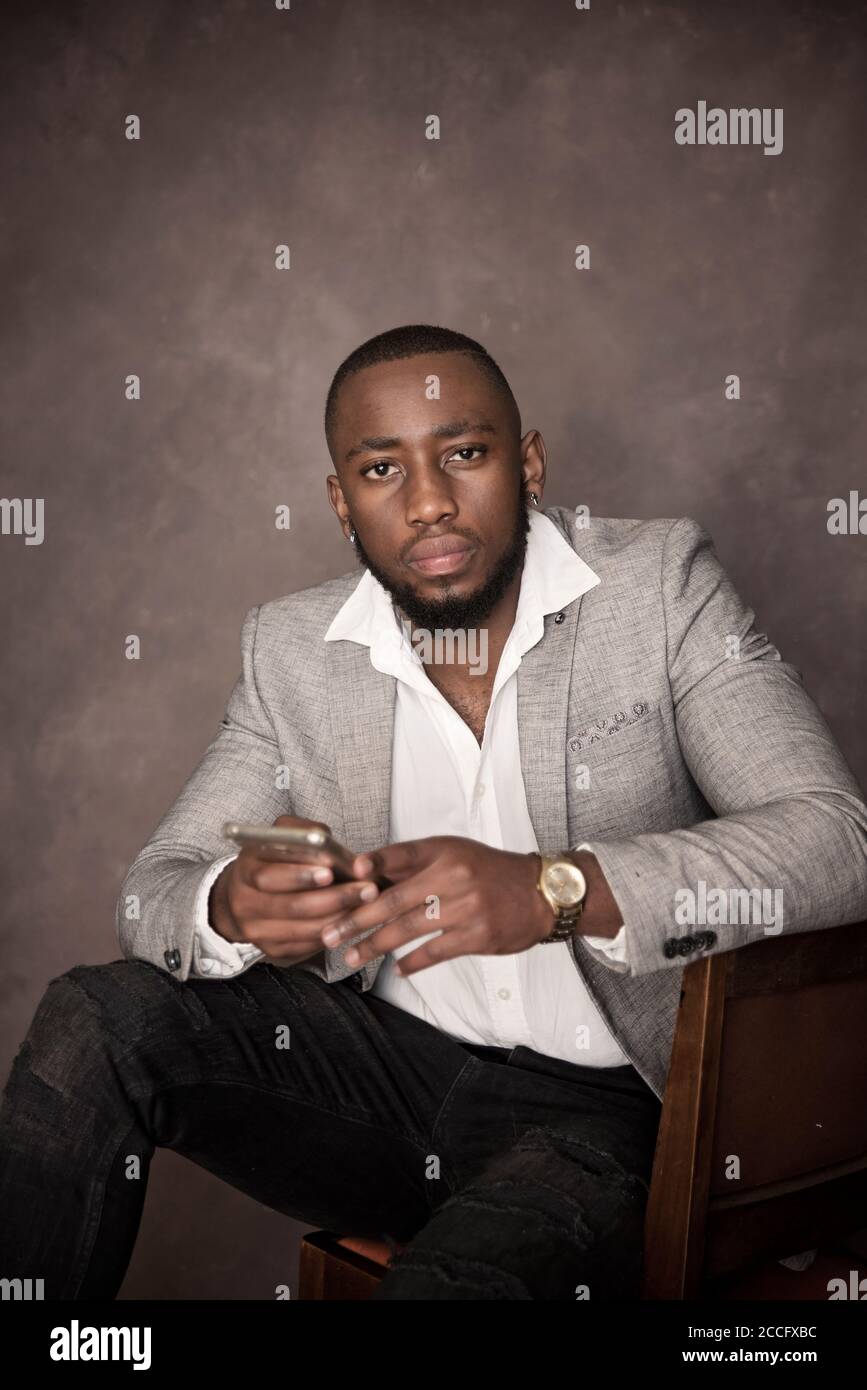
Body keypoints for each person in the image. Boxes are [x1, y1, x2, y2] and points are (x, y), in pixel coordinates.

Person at [2, 323, 866, 1301]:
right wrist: (229, 907)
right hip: (390, 1085)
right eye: (381, 470)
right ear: (341, 500)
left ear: (529, 463)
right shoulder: (292, 649)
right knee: (97, 1019)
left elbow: (838, 839)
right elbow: (155, 889)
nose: (428, 503)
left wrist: (555, 889)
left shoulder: (658, 589)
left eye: (465, 452)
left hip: (616, 1111)